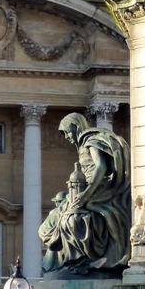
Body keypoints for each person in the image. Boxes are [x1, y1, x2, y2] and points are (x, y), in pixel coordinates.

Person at [39, 113, 131, 276]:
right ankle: (63, 262)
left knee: (69, 218)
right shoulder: (83, 145)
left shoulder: (90, 142)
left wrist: (86, 195)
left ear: (75, 126)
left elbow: (101, 167)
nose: (67, 137)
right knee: (54, 218)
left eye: (67, 132)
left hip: (99, 188)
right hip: (86, 188)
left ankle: (77, 260)